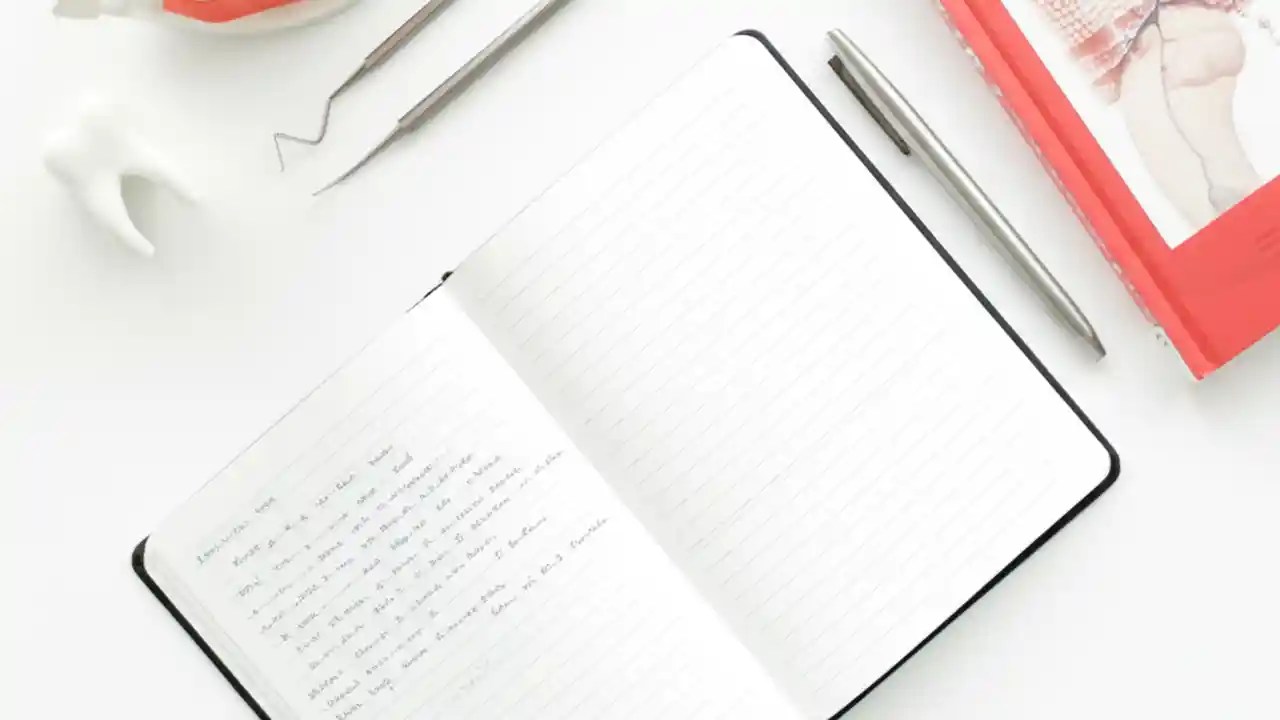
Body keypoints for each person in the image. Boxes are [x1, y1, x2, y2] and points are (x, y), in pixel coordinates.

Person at [1035, 0, 1270, 228]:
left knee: (1197, 191)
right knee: (1227, 166)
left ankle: (1237, 240)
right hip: (1201, 24)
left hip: (1150, 47)